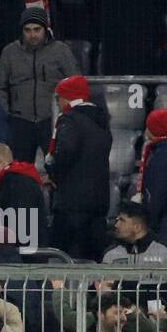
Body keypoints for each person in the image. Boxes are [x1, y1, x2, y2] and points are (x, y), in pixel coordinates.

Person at [0, 7, 77, 167]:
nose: (32, 35)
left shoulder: (61, 50)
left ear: (46, 29)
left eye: (37, 30)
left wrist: (66, 114)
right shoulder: (10, 52)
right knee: (19, 171)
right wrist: (7, 113)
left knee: (59, 170)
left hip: (53, 121)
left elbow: (76, 84)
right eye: (27, 30)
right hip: (20, 121)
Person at [45, 74, 111, 261]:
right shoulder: (102, 121)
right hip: (98, 204)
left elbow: (64, 152)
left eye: (58, 97)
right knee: (91, 261)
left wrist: (53, 174)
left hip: (71, 204)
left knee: (59, 257)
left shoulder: (70, 119)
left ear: (67, 97)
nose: (57, 102)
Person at [132, 109, 167, 246]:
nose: (146, 129)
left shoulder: (163, 156)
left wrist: (151, 221)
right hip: (166, 216)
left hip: (163, 219)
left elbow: (158, 192)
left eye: (148, 126)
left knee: (163, 255)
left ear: (155, 129)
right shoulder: (166, 150)